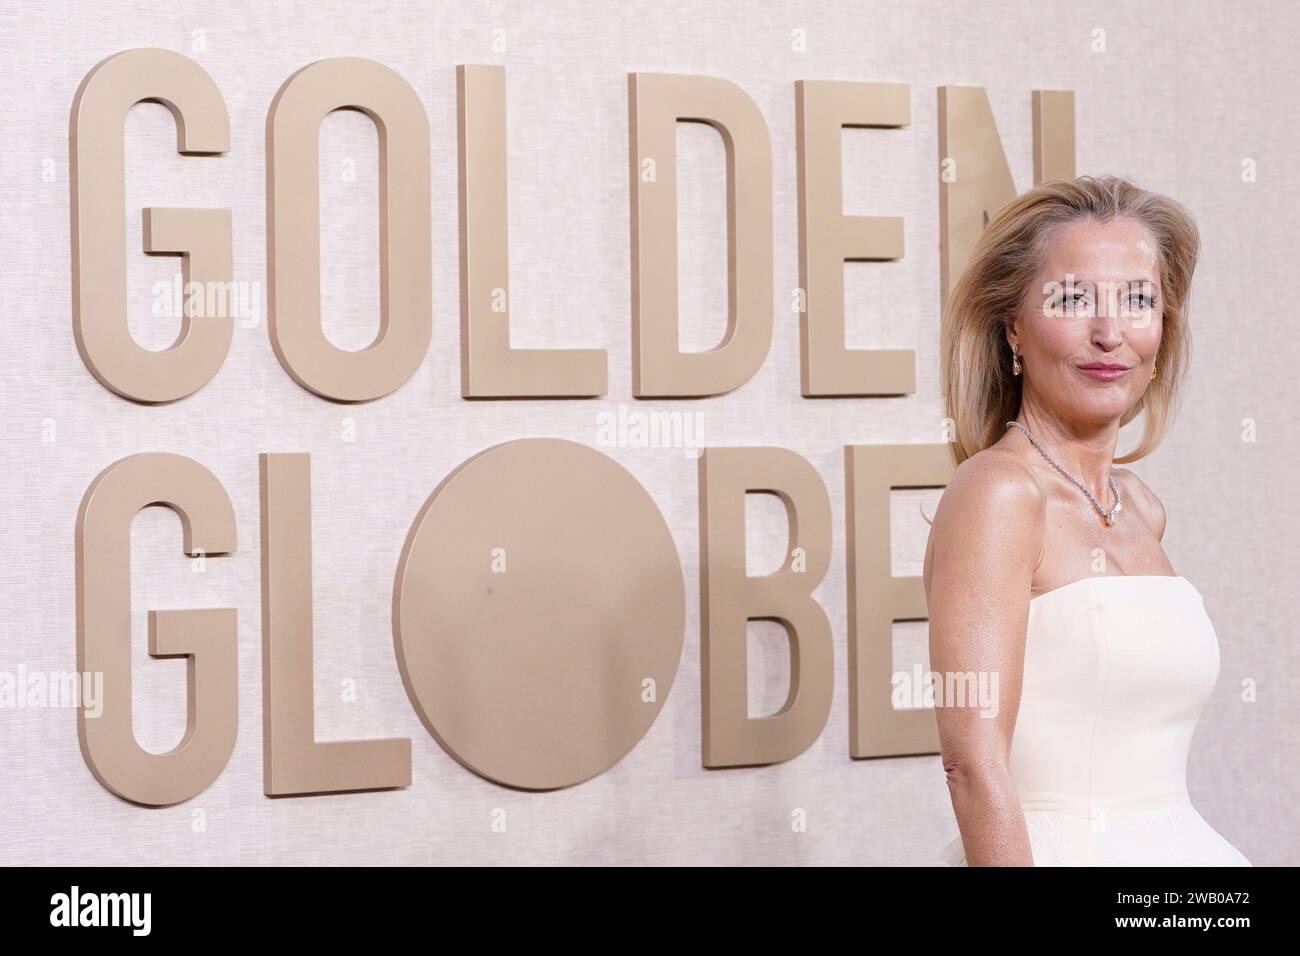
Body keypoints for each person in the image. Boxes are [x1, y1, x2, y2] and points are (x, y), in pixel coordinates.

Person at [923, 174, 1251, 866]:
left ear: (1163, 329)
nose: (1110, 334)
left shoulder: (1142, 510)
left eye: (1138, 300)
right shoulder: (997, 493)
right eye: (1071, 299)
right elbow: (971, 766)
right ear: (1013, 325)